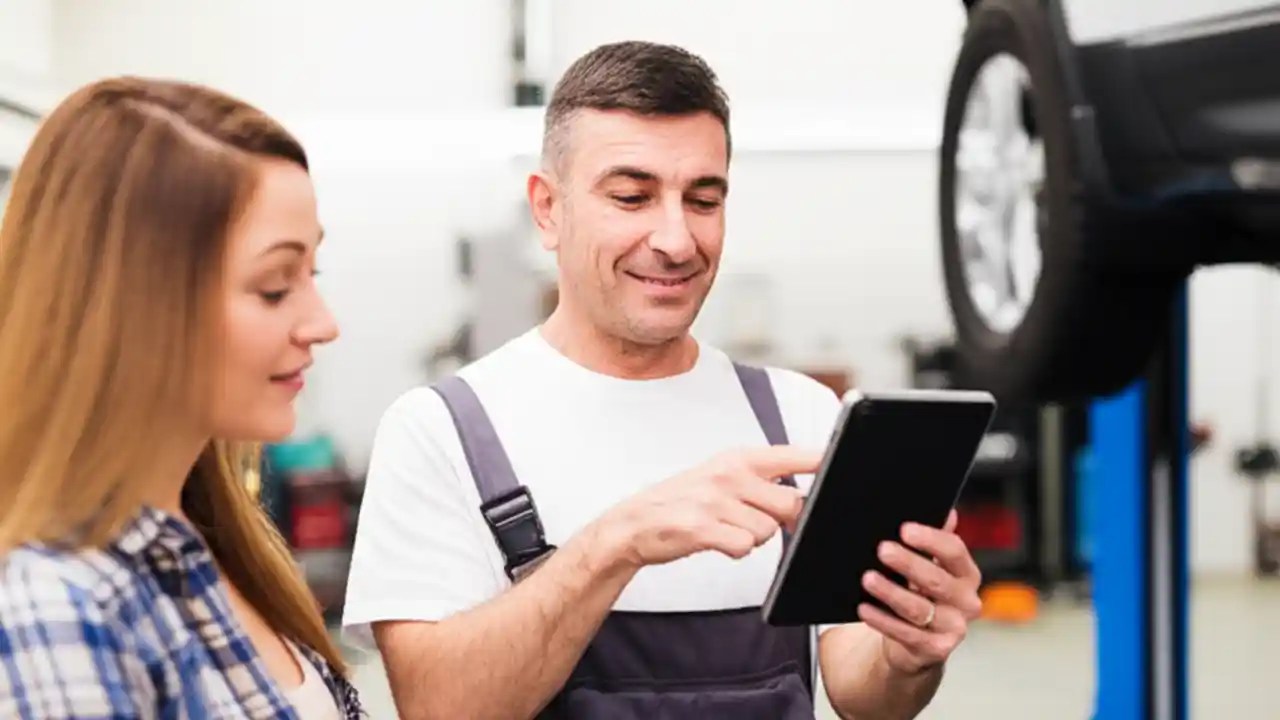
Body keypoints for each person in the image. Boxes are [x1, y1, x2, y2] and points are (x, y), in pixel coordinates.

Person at [343, 41, 982, 719]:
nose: (676, 240)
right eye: (631, 196)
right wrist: (617, 543)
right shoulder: (441, 431)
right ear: (547, 208)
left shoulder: (797, 418)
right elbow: (440, 708)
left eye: (703, 200)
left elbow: (863, 696)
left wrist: (909, 653)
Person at [0, 77, 363, 719]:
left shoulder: (220, 544)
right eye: (276, 287)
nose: (324, 322)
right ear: (129, 306)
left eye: (314, 274)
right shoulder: (60, 606)